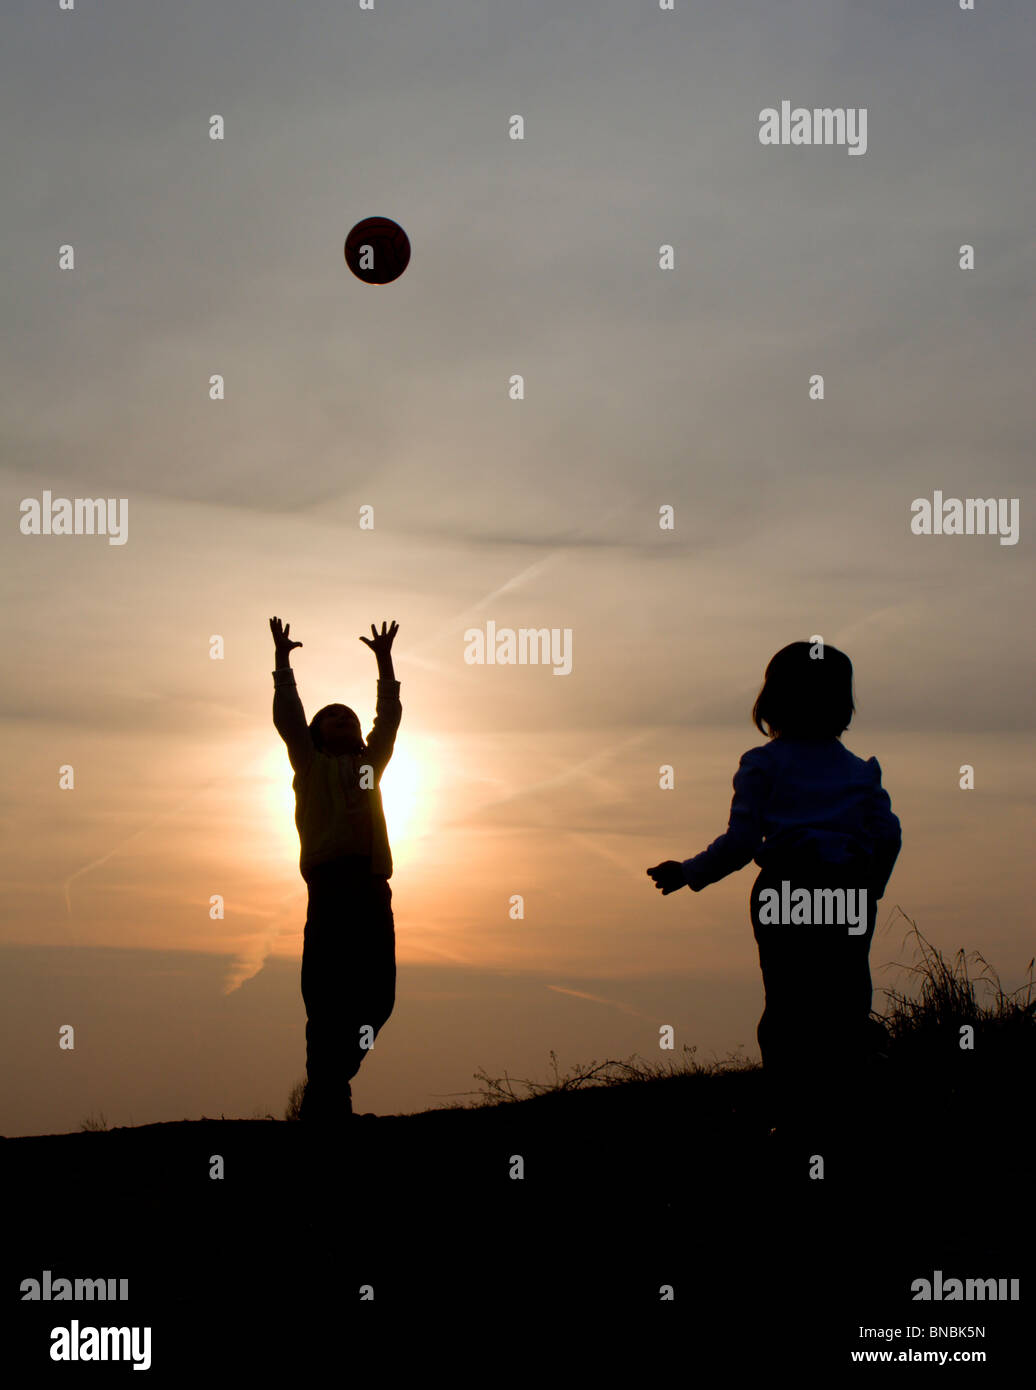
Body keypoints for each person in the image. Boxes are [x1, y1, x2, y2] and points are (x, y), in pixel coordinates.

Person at [647, 641, 901, 1143]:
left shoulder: (763, 764)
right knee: (846, 999)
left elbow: (741, 842)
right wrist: (870, 888)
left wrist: (689, 872)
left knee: (787, 1004)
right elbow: (888, 834)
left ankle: (790, 1114)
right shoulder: (859, 772)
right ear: (843, 706)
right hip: (848, 894)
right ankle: (853, 1097)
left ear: (770, 702)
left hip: (785, 892)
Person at [269, 616, 402, 1126]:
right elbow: (287, 716)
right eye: (335, 717)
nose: (346, 721)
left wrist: (384, 663)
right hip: (328, 889)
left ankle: (331, 1082)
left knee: (378, 996)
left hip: (371, 888)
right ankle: (327, 1098)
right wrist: (283, 664)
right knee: (325, 995)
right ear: (318, 733)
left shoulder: (370, 766)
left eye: (351, 717)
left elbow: (387, 722)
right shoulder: (309, 765)